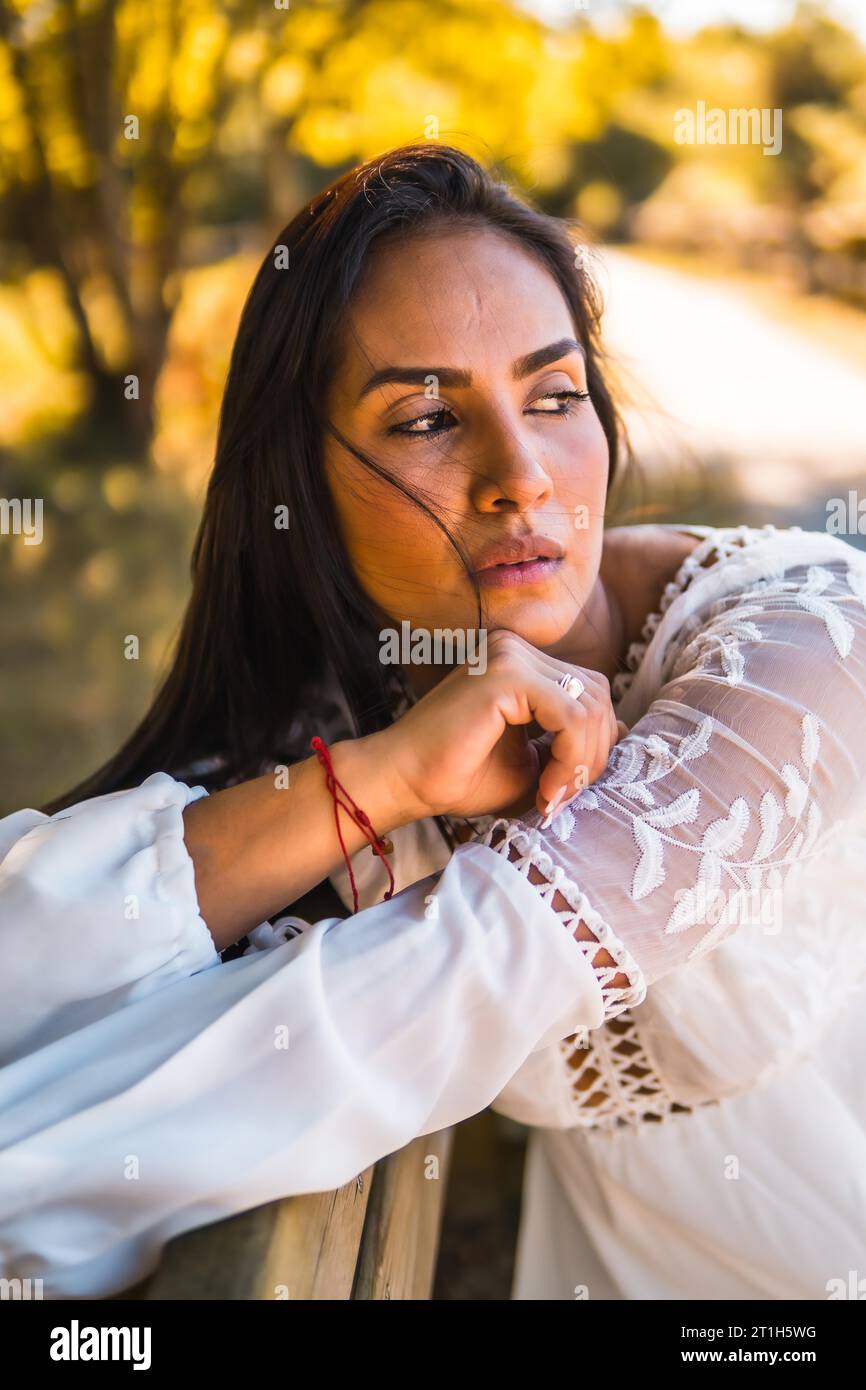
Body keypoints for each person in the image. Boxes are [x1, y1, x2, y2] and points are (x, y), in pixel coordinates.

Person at [2, 144, 866, 1300]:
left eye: (554, 397)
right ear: (298, 479)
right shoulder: (348, 719)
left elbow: (422, 994)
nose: (522, 476)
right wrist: (382, 780)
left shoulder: (802, 649)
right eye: (423, 418)